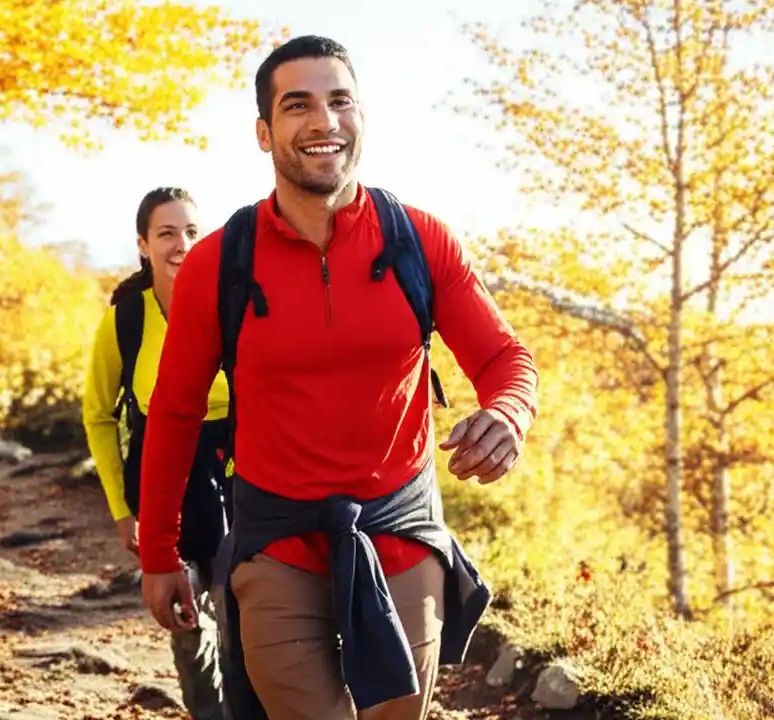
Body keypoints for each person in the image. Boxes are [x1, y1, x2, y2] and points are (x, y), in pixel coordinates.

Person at [137, 36, 539, 720]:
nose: (323, 121)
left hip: (402, 534)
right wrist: (160, 552)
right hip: (275, 541)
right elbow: (175, 413)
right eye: (298, 105)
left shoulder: (419, 240)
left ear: (361, 117)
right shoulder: (218, 262)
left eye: (340, 101)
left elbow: (506, 360)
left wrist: (506, 414)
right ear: (265, 132)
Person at [81, 187, 232, 720]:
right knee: (188, 625)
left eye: (192, 231)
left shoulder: (231, 304)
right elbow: (98, 415)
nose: (182, 243)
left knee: (246, 618)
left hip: (239, 476)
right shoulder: (125, 319)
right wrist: (123, 512)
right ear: (143, 245)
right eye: (167, 233)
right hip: (164, 486)